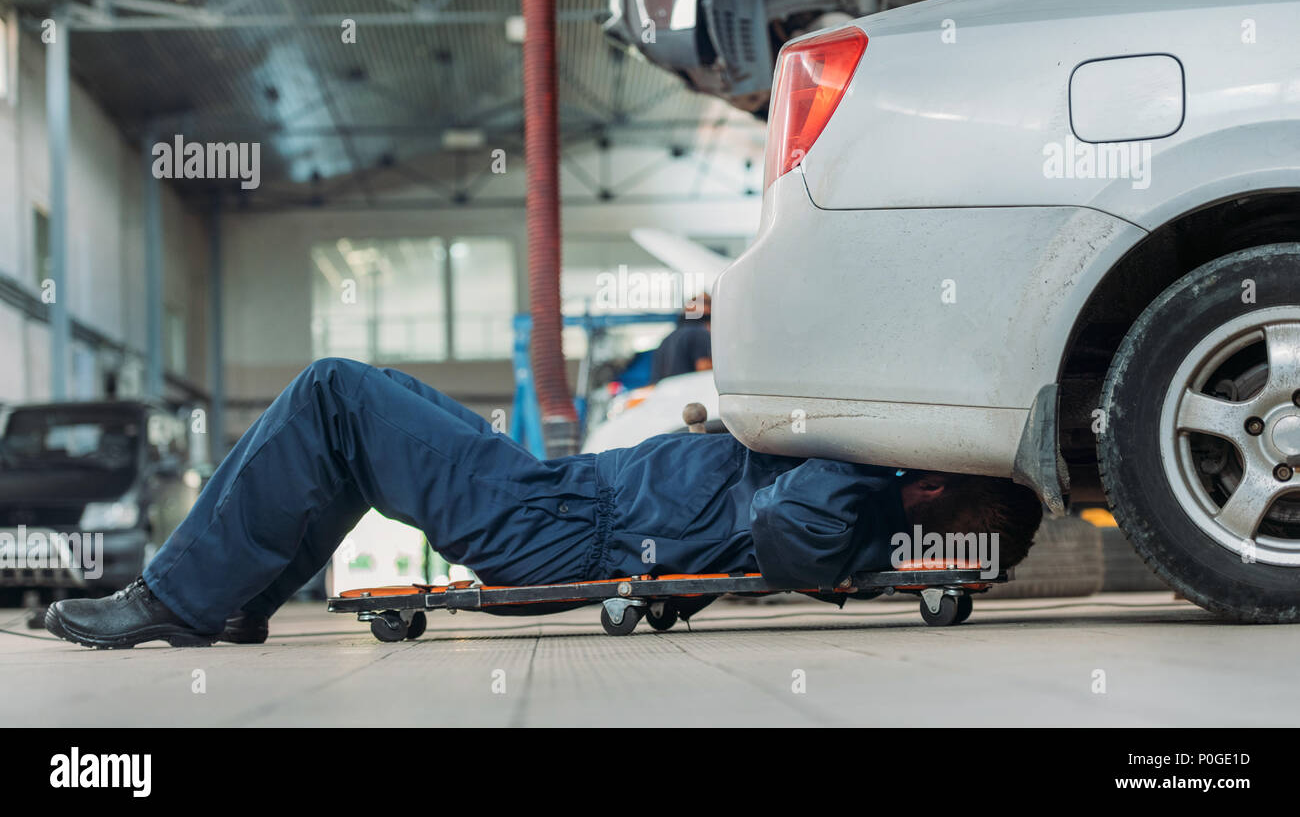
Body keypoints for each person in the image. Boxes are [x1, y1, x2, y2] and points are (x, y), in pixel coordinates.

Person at [45, 358, 1042, 648]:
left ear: (932, 487)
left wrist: (856, 467)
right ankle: (234, 597)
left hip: (555, 524)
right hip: (558, 496)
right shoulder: (866, 490)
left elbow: (788, 533)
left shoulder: (854, 499)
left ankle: (177, 598)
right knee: (365, 406)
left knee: (331, 390)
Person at [649, 293, 712, 383]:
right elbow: (704, 369)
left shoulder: (667, 338)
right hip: (689, 393)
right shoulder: (699, 333)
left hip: (666, 393)